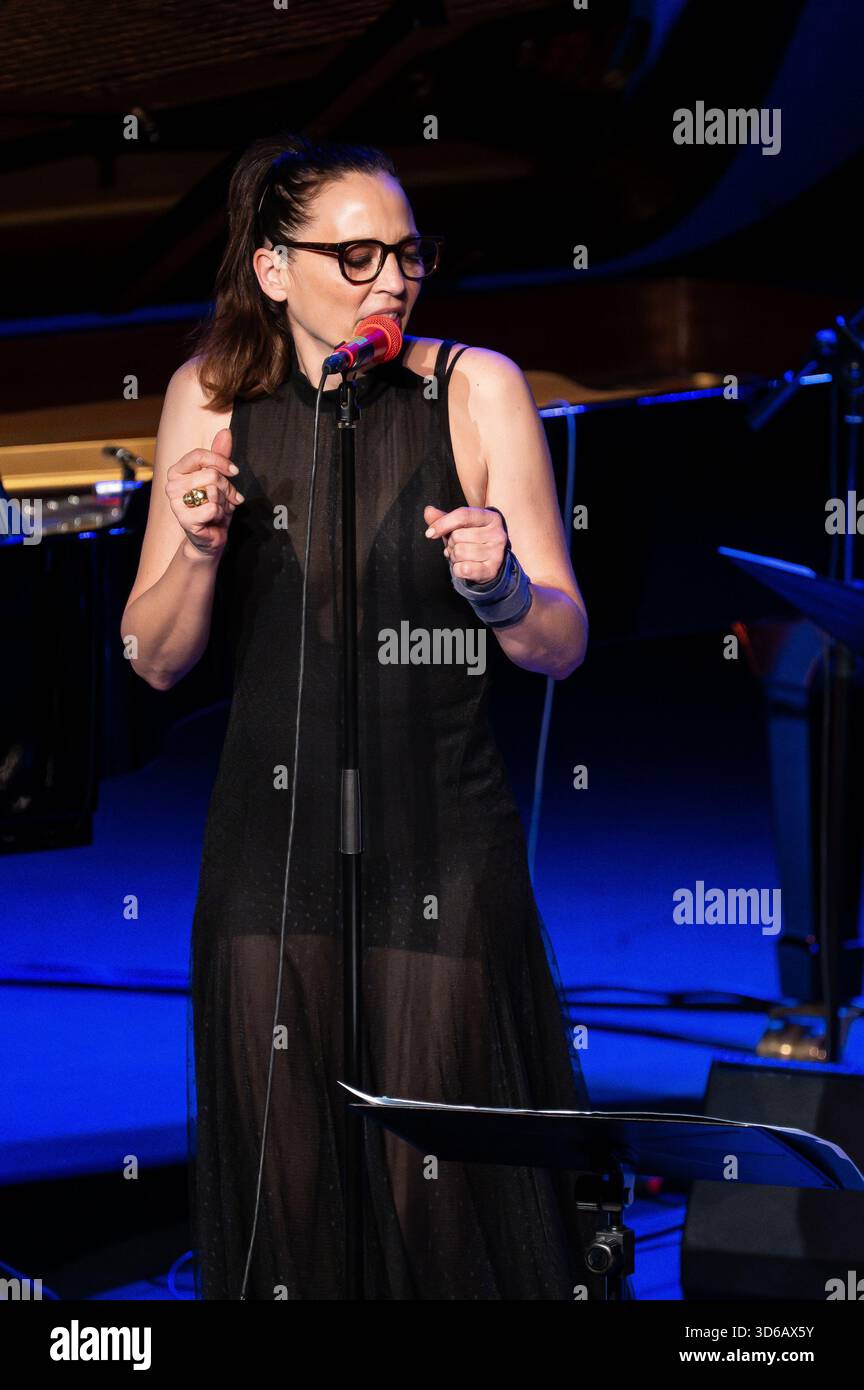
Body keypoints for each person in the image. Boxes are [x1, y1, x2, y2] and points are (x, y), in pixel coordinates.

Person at [120, 131, 592, 1300]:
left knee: (438, 1200)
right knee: (290, 1206)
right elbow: (152, 658)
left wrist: (499, 587)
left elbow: (561, 644)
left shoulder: (473, 386)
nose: (391, 279)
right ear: (273, 268)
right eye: (358, 255)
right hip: (266, 853)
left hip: (441, 833)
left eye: (408, 254)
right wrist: (193, 543)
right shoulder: (210, 397)